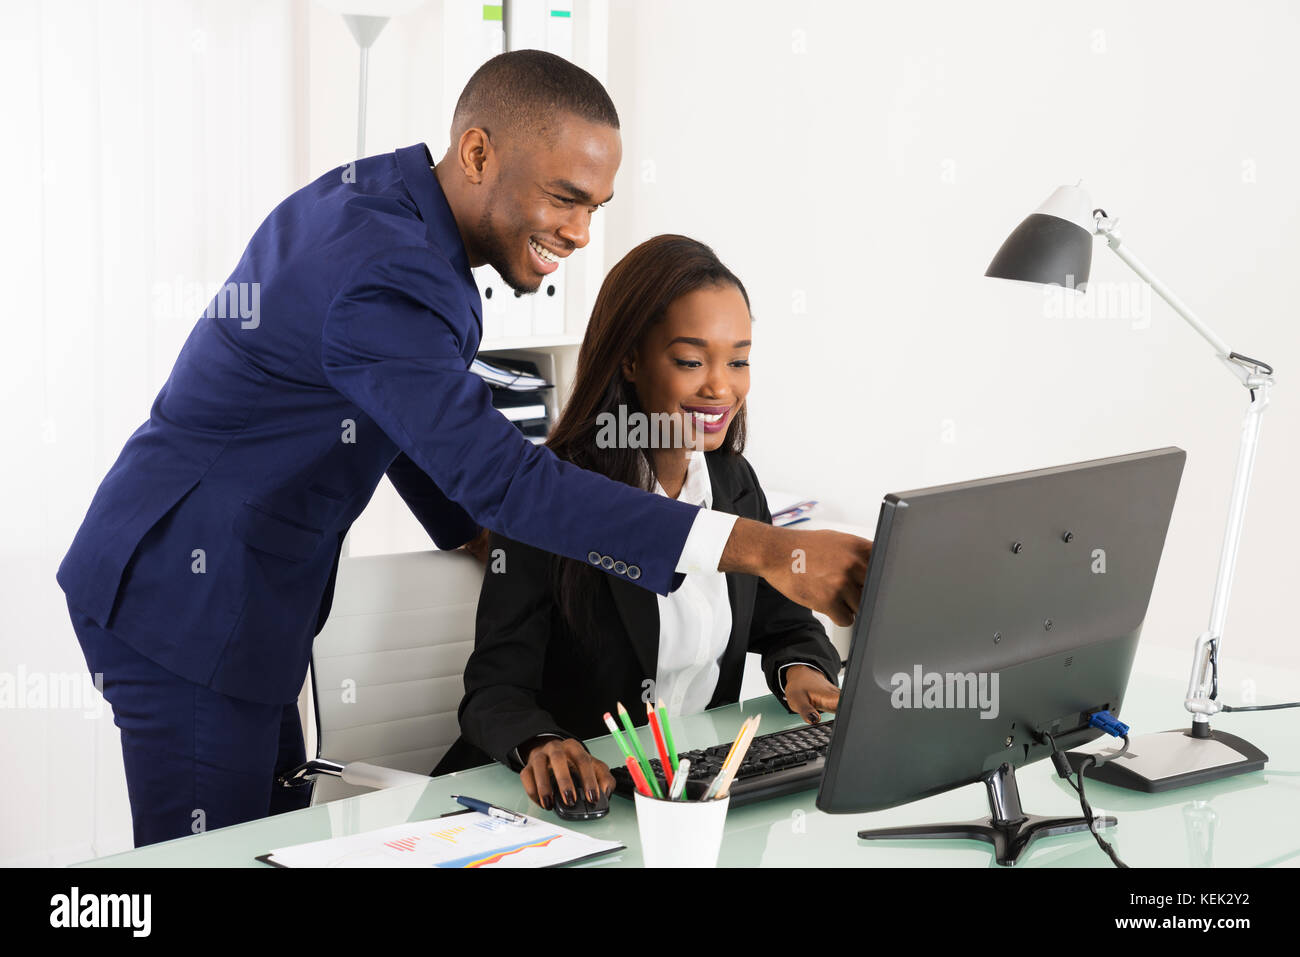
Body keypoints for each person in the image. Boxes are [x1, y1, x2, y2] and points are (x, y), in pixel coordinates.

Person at [57, 51, 870, 846]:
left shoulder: (390, 208)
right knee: (210, 856)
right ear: (478, 152)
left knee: (268, 841)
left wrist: (467, 529)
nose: (582, 233)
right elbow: (504, 477)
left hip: (233, 591)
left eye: (597, 206)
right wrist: (770, 550)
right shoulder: (391, 266)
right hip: (183, 597)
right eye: (564, 198)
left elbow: (391, 405)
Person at [435, 235, 844, 811]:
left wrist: (803, 673)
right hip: (559, 805)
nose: (720, 387)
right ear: (629, 360)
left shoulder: (732, 482)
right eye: (690, 361)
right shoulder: (554, 495)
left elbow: (786, 626)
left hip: (684, 794)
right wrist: (545, 743)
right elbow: (494, 692)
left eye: (738, 359)